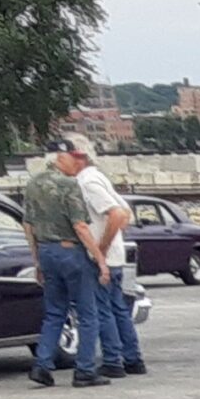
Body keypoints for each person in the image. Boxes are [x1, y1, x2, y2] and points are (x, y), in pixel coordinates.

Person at [18, 135, 110, 388]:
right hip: (70, 252)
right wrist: (100, 259)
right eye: (73, 157)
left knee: (54, 312)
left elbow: (28, 225)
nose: (76, 163)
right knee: (87, 312)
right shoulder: (69, 185)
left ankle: (42, 364)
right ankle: (84, 370)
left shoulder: (33, 184)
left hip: (46, 251)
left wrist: (36, 260)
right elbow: (80, 226)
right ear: (61, 157)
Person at [74, 149, 147, 376]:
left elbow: (116, 214)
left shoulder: (86, 183)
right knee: (118, 308)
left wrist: (100, 250)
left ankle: (113, 360)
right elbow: (125, 213)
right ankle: (132, 358)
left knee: (103, 309)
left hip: (104, 255)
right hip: (116, 254)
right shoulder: (100, 177)